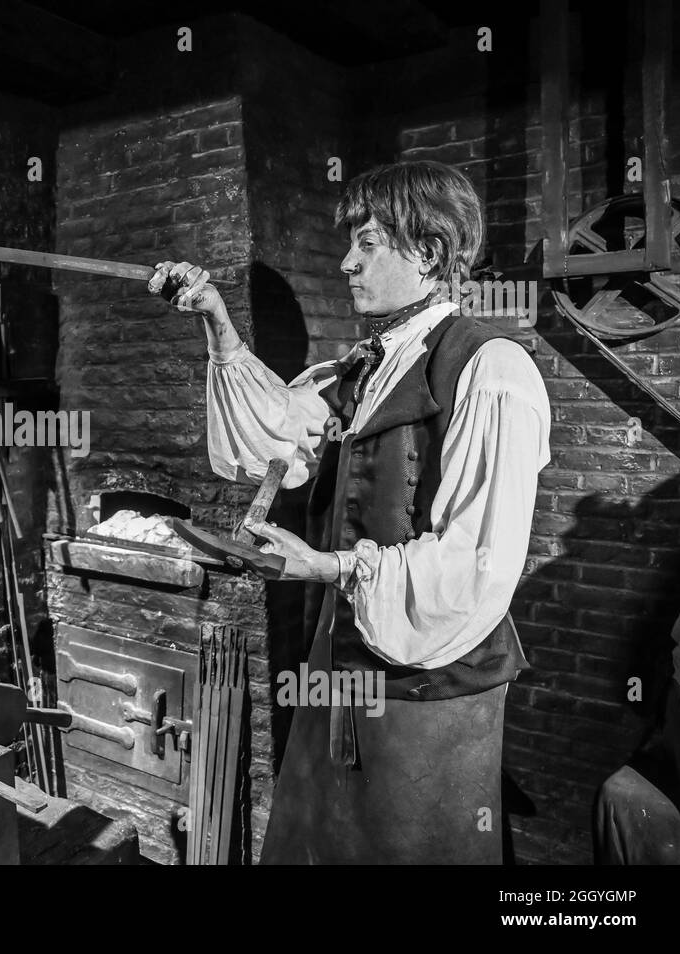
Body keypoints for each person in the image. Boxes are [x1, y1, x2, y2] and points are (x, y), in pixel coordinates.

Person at [150, 160, 551, 864]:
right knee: (324, 840)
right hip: (343, 662)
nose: (346, 261)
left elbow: (475, 562)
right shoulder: (367, 366)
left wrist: (326, 565)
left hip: (428, 682)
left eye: (368, 243)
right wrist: (217, 321)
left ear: (427, 252)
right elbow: (275, 430)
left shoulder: (490, 369)